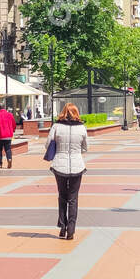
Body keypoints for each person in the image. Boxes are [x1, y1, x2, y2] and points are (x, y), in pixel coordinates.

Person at [47, 102, 89, 239]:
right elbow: (85, 147)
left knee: (62, 195)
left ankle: (62, 226)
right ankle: (71, 229)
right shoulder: (82, 128)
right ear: (76, 113)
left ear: (63, 112)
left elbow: (47, 144)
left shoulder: (56, 126)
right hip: (77, 165)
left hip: (59, 164)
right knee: (73, 198)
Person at [0, 101, 17, 169]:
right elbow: (14, 124)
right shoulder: (10, 115)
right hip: (8, 135)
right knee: (8, 149)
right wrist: (12, 130)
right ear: (4, 107)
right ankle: (9, 158)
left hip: (0, 136)